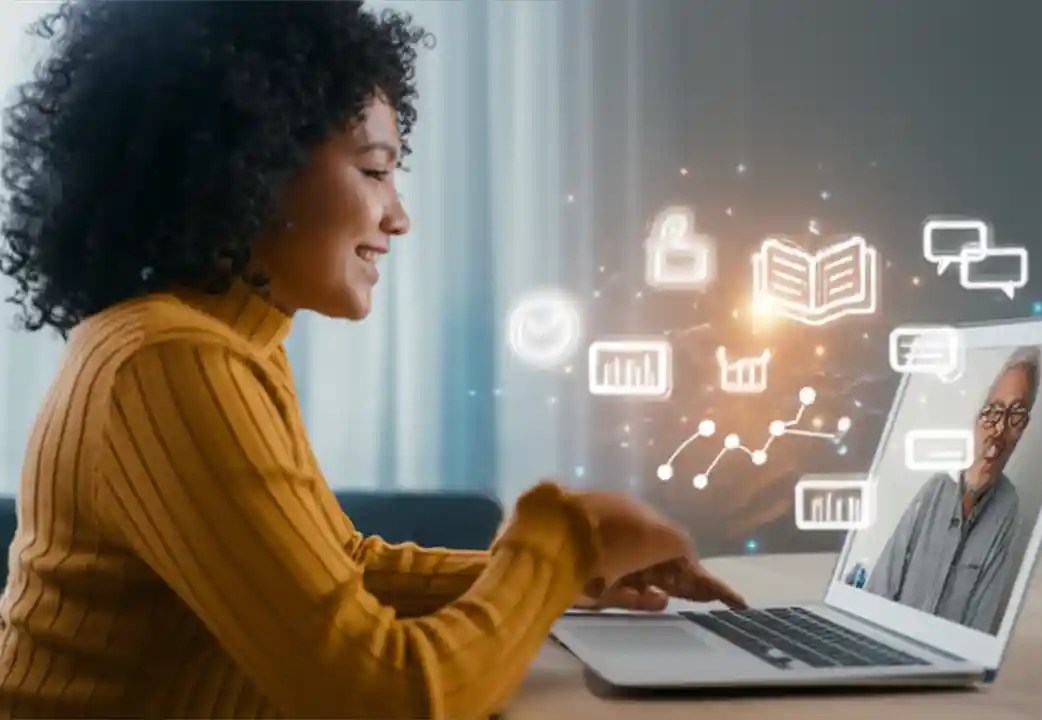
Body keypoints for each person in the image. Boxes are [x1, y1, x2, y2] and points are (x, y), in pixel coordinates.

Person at [0, 2, 742, 718]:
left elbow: (339, 567)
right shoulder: (173, 363)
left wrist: (565, 576)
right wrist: (562, 540)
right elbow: (389, 698)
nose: (398, 216)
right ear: (253, 164)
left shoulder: (212, 339)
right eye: (375, 171)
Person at [864, 346, 1039, 633]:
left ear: (1024, 429)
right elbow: (880, 589)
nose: (998, 431)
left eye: (1016, 416)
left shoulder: (1008, 506)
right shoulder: (936, 488)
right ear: (977, 419)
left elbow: (978, 624)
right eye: (993, 412)